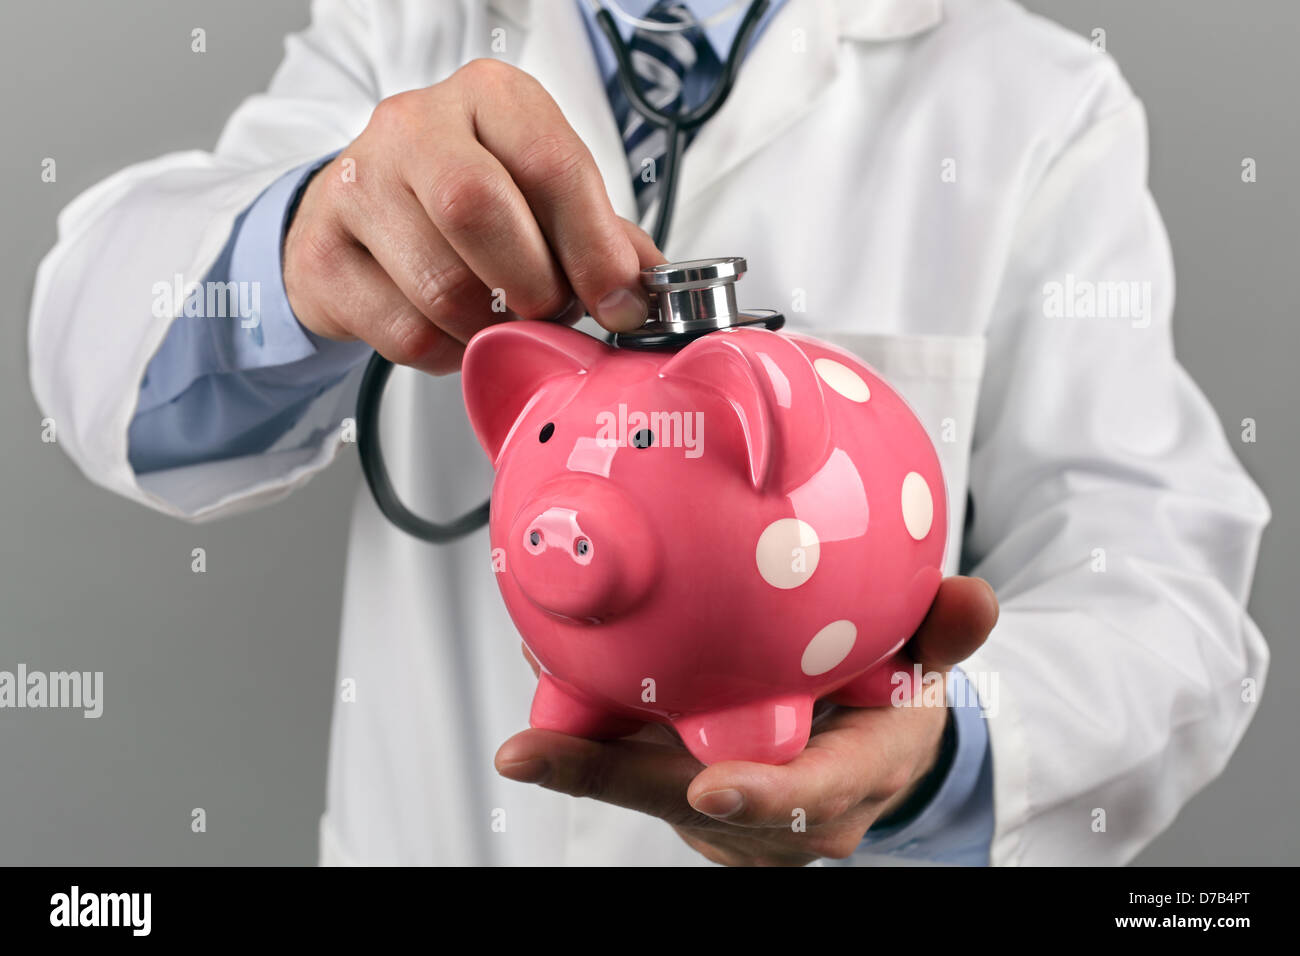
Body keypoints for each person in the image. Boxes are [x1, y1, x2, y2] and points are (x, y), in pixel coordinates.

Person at [29, 0, 1269, 866]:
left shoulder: (1039, 102)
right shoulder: (403, 26)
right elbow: (103, 347)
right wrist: (310, 240)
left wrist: (939, 753)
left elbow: (1160, 586)